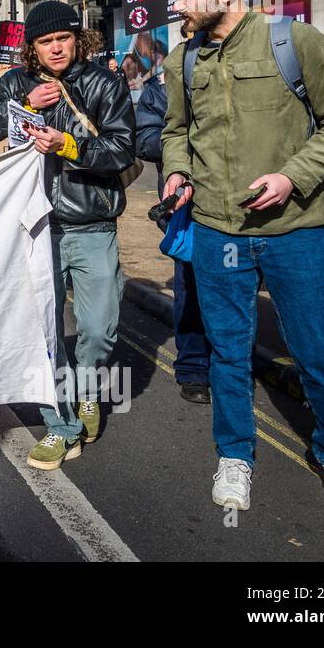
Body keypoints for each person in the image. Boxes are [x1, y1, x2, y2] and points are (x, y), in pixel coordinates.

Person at [158, 0, 324, 520]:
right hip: (215, 229)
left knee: (316, 350)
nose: (177, 5)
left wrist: (291, 175)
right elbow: (176, 130)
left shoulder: (294, 41)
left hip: (292, 230)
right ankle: (234, 456)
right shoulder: (183, 60)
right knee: (228, 352)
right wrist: (176, 168)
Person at [0, 0, 136, 469]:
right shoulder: (17, 83)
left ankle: (85, 394)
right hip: (35, 224)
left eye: (63, 38)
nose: (56, 48)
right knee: (42, 331)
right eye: (45, 42)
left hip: (92, 221)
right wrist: (22, 104)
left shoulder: (104, 82)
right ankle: (61, 425)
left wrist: (68, 144)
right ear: (32, 48)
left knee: (98, 330)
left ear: (76, 38)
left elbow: (122, 149)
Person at [135, 58, 209, 404]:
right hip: (187, 209)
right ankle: (194, 369)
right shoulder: (160, 88)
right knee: (190, 286)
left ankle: (229, 366)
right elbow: (145, 140)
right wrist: (187, 140)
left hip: (239, 205)